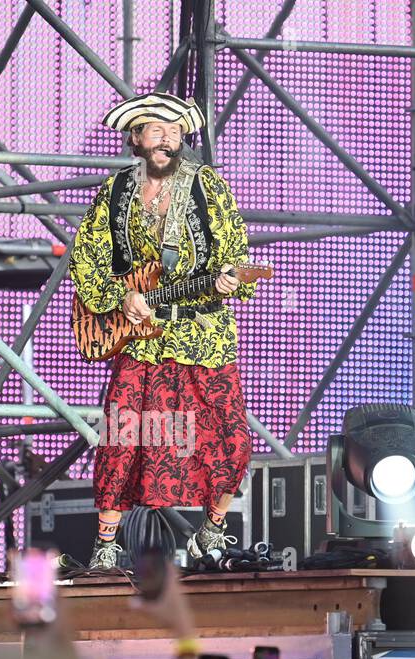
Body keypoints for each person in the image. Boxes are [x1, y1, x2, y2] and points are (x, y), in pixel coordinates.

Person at [70, 91, 258, 570]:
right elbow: (85, 259)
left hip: (203, 339)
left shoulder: (208, 187)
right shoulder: (115, 192)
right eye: (157, 129)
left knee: (231, 440)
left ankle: (212, 532)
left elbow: (236, 252)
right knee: (123, 437)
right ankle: (106, 545)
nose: (167, 139)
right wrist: (120, 298)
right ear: (136, 138)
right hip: (143, 341)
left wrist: (231, 277)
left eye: (175, 131)